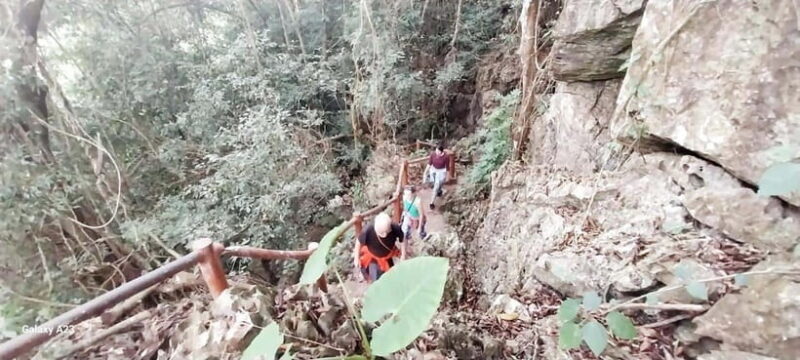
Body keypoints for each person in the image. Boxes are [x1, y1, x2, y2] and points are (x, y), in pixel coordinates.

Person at [354, 212, 405, 282]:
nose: (384, 234)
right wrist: (356, 258)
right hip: (373, 257)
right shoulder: (368, 230)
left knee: (390, 276)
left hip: (387, 256)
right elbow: (358, 242)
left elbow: (403, 240)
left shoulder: (394, 228)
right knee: (376, 278)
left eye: (386, 232)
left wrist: (403, 255)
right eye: (381, 232)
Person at [400, 185, 426, 253]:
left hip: (417, 219)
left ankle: (424, 247)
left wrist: (419, 227)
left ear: (413, 194)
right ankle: (408, 244)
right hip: (409, 217)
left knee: (421, 234)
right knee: (406, 233)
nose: (407, 196)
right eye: (405, 194)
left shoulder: (417, 201)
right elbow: (405, 207)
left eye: (409, 194)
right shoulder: (404, 197)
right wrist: (405, 215)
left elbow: (421, 215)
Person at [424, 143, 449, 210]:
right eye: (436, 150)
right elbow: (429, 164)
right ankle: (434, 198)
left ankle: (432, 201)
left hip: (441, 171)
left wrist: (447, 176)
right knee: (435, 184)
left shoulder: (446, 157)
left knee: (438, 184)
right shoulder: (433, 154)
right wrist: (425, 172)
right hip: (433, 170)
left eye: (438, 151)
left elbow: (447, 167)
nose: (436, 152)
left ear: (441, 152)